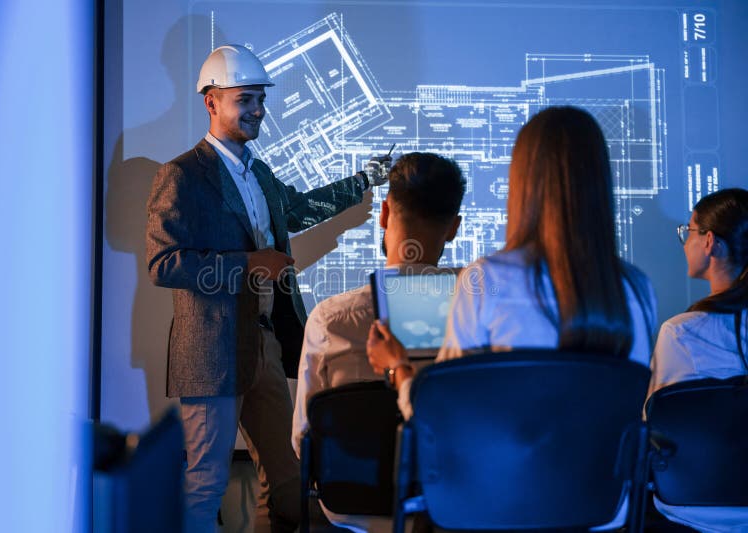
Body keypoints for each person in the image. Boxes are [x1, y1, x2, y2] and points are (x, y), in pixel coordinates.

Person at [366, 106, 657, 528]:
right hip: (601, 510)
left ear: (522, 184)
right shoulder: (635, 288)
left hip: (495, 507)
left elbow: (441, 422)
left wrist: (397, 369)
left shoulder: (484, 280)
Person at [146, 44, 391, 533]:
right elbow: (163, 263)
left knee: (285, 479)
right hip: (211, 352)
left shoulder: (258, 172)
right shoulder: (181, 175)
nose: (258, 109)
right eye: (245, 99)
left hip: (265, 344)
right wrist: (248, 264)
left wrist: (365, 179)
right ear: (211, 102)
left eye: (260, 98)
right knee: (205, 482)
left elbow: (298, 210)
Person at [291, 152, 465, 532]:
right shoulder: (476, 314)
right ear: (454, 228)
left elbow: (303, 442)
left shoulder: (329, 319)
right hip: (450, 504)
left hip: (353, 506)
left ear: (384, 213)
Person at [646, 188, 748, 533]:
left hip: (692, 514)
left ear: (710, 243)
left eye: (688, 232)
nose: (684, 242)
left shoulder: (681, 334)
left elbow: (654, 428)